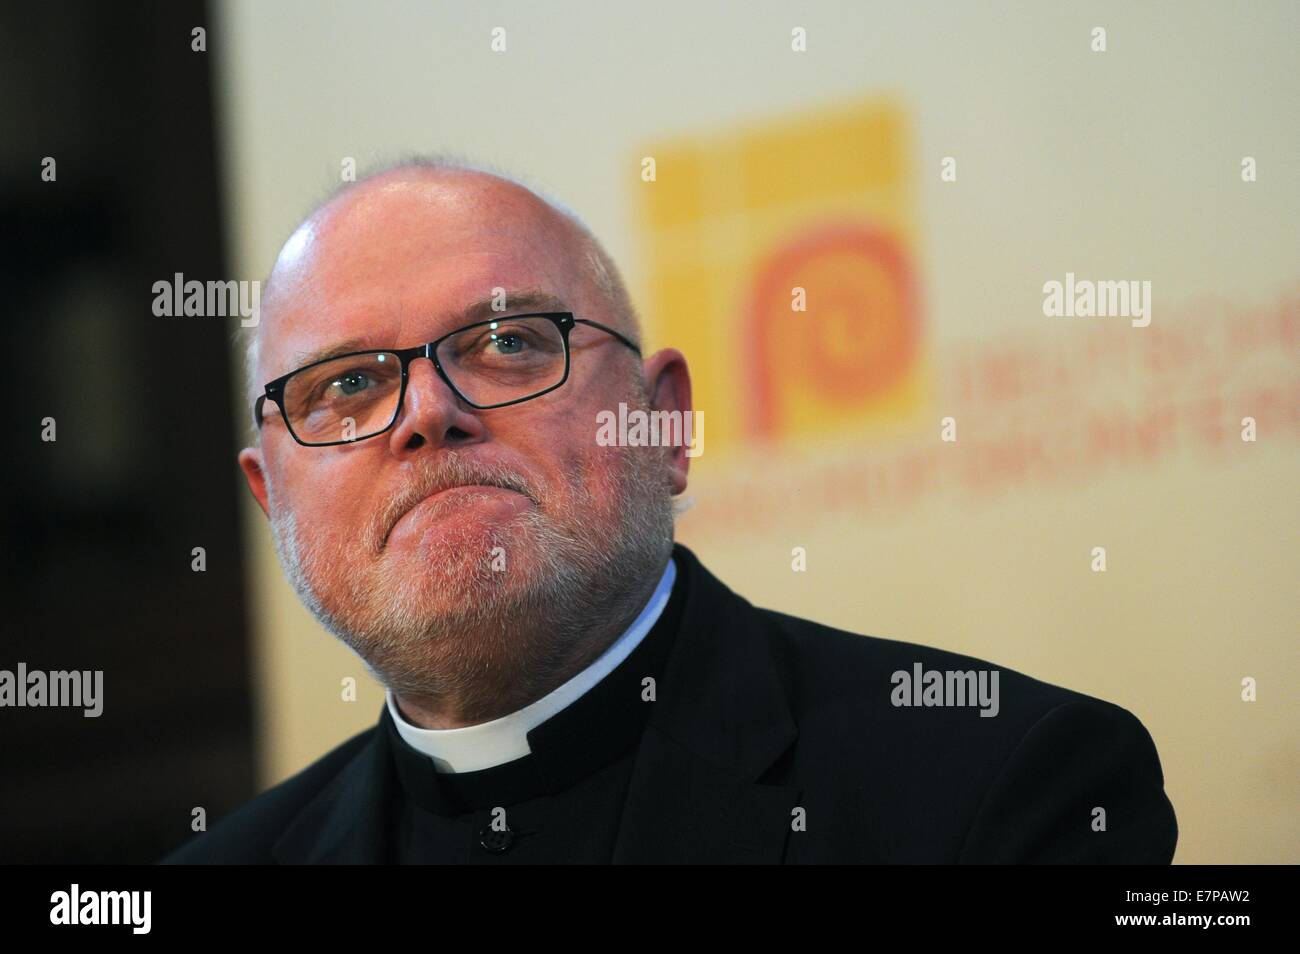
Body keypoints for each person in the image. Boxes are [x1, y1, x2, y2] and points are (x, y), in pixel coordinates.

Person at [162, 156, 1177, 864]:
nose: (429, 413)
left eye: (509, 341)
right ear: (270, 498)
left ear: (666, 424)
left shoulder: (1002, 787)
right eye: (344, 385)